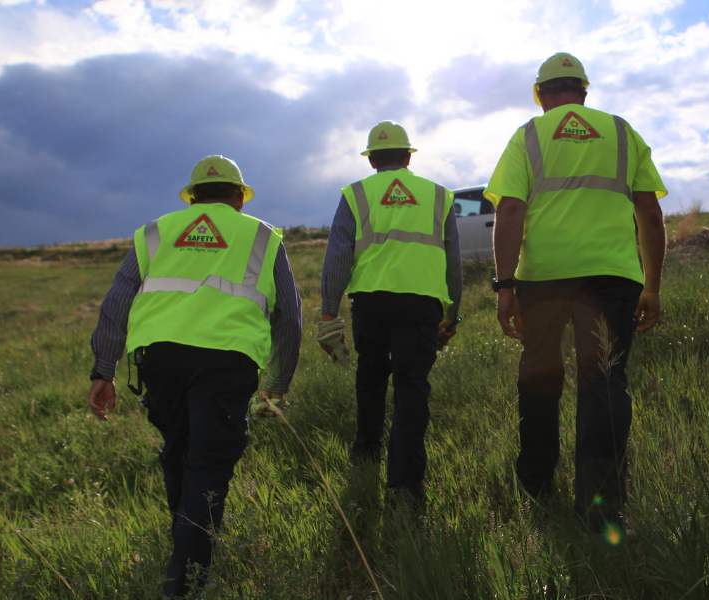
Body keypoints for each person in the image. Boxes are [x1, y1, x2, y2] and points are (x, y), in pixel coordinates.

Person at [86, 155, 302, 597]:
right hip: (227, 361)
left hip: (160, 361)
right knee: (206, 467)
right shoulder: (261, 235)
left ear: (192, 198)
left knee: (180, 453)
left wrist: (103, 369)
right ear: (239, 197)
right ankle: (185, 585)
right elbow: (290, 317)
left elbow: (116, 301)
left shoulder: (156, 232)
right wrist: (277, 383)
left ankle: (183, 550)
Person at [483, 53, 667, 536]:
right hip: (612, 278)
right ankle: (601, 510)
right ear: (584, 92)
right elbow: (650, 215)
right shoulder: (622, 133)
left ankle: (536, 489)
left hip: (543, 278)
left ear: (540, 95)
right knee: (603, 382)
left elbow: (509, 212)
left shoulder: (528, 135)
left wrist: (505, 286)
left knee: (540, 377)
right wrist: (651, 286)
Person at [319, 120, 462, 506]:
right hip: (421, 304)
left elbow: (338, 254)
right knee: (411, 386)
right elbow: (453, 261)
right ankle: (406, 485)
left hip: (371, 303)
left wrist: (329, 312)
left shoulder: (356, 195)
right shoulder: (438, 196)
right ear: (408, 157)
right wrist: (452, 312)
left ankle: (365, 455)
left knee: (371, 376)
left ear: (372, 161)